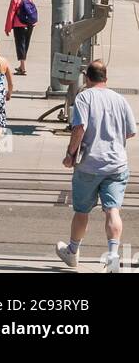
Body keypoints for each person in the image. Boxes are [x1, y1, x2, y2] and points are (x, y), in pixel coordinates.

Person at [56, 60, 136, 273]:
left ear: (87, 78)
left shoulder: (84, 97)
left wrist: (70, 154)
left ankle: (72, 252)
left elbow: (79, 128)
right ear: (106, 78)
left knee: (82, 211)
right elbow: (130, 131)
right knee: (113, 210)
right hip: (117, 165)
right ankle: (112, 257)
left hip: (89, 165)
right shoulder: (120, 99)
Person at [4, 0, 36, 75]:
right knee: (26, 44)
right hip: (30, 25)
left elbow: (11, 14)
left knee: (20, 45)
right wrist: (34, 22)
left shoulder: (15, 0)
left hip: (19, 26)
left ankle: (23, 67)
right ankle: (22, 65)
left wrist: (7, 28)